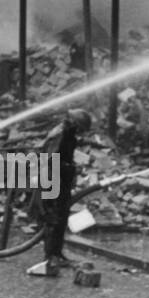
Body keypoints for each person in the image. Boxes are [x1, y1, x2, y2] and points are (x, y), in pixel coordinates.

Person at [40, 108, 91, 268]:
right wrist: (72, 169)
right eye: (80, 129)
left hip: (61, 181)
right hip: (52, 181)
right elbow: (51, 161)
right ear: (74, 124)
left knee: (61, 218)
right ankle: (50, 256)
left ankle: (57, 254)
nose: (80, 133)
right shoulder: (60, 134)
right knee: (53, 218)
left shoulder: (68, 134)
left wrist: (72, 167)